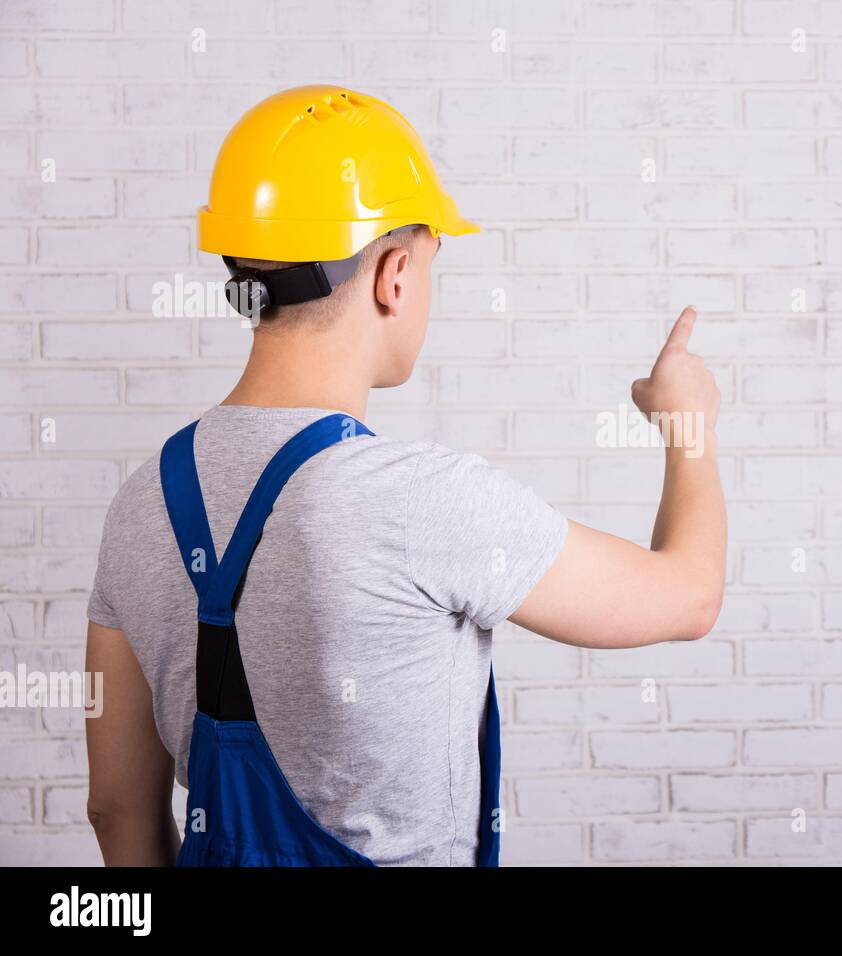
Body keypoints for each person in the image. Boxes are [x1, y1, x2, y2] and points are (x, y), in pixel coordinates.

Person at [83, 86, 725, 866]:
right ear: (393, 272)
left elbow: (117, 809)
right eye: (429, 261)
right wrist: (687, 423)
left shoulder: (141, 502)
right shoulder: (425, 502)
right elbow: (688, 596)